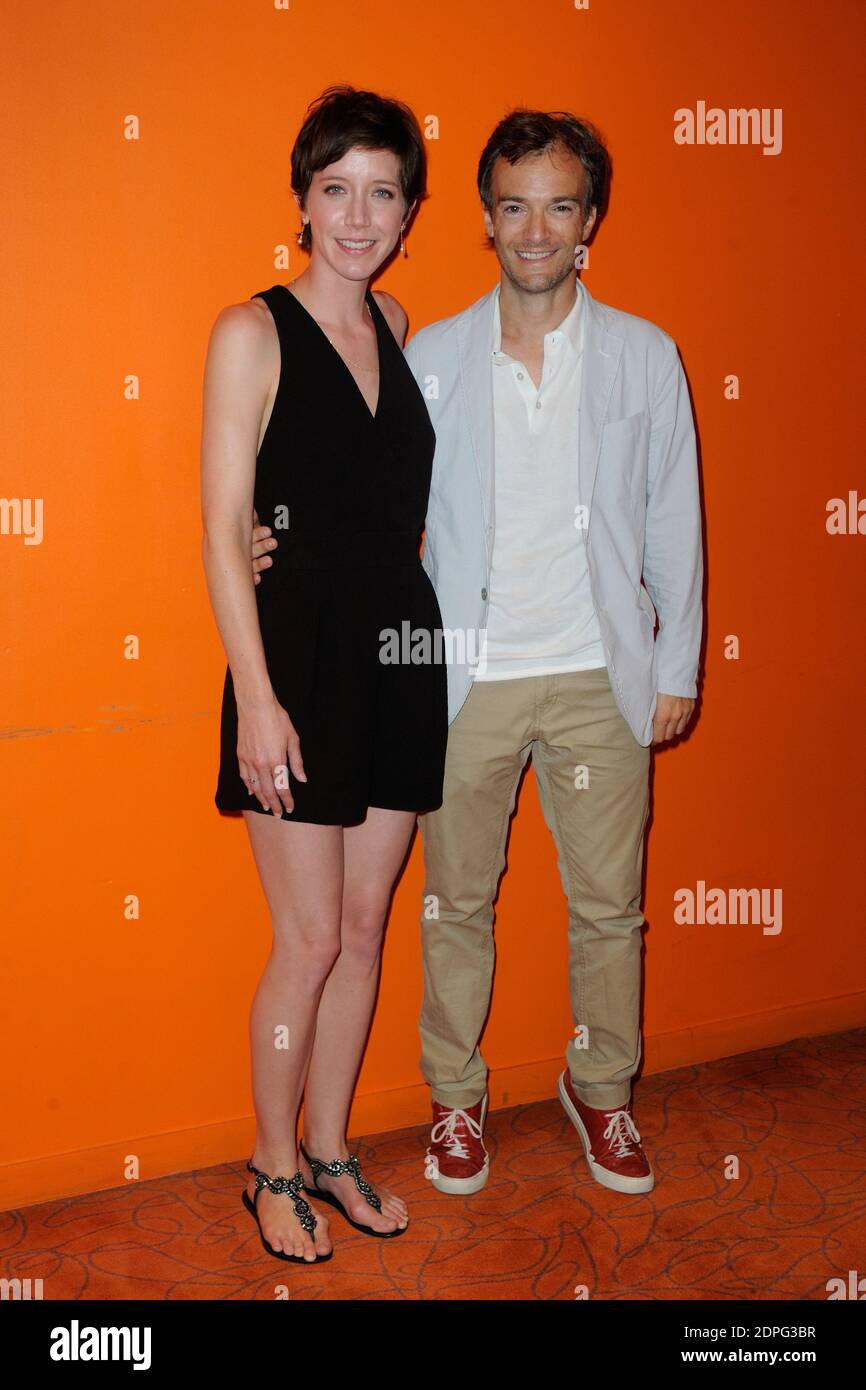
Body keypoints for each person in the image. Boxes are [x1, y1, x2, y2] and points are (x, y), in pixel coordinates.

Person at [250, 108, 703, 1203]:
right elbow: (360, 475)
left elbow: (672, 515)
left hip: (602, 670)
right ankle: (454, 1097)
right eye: (511, 205)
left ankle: (601, 1091)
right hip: (457, 676)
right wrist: (269, 531)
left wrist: (677, 663)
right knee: (454, 903)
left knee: (609, 908)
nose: (534, 228)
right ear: (482, 218)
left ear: (587, 220)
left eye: (558, 206)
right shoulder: (428, 348)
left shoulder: (645, 355)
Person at [201, 85, 448, 1264]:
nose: (358, 214)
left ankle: (335, 1149)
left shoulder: (396, 321)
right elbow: (220, 531)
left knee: (363, 926)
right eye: (335, 188)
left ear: (408, 209)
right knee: (302, 938)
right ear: (301, 198)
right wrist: (255, 695)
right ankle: (270, 1164)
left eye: (382, 191)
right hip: (293, 657)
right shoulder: (247, 331)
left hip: (401, 646)